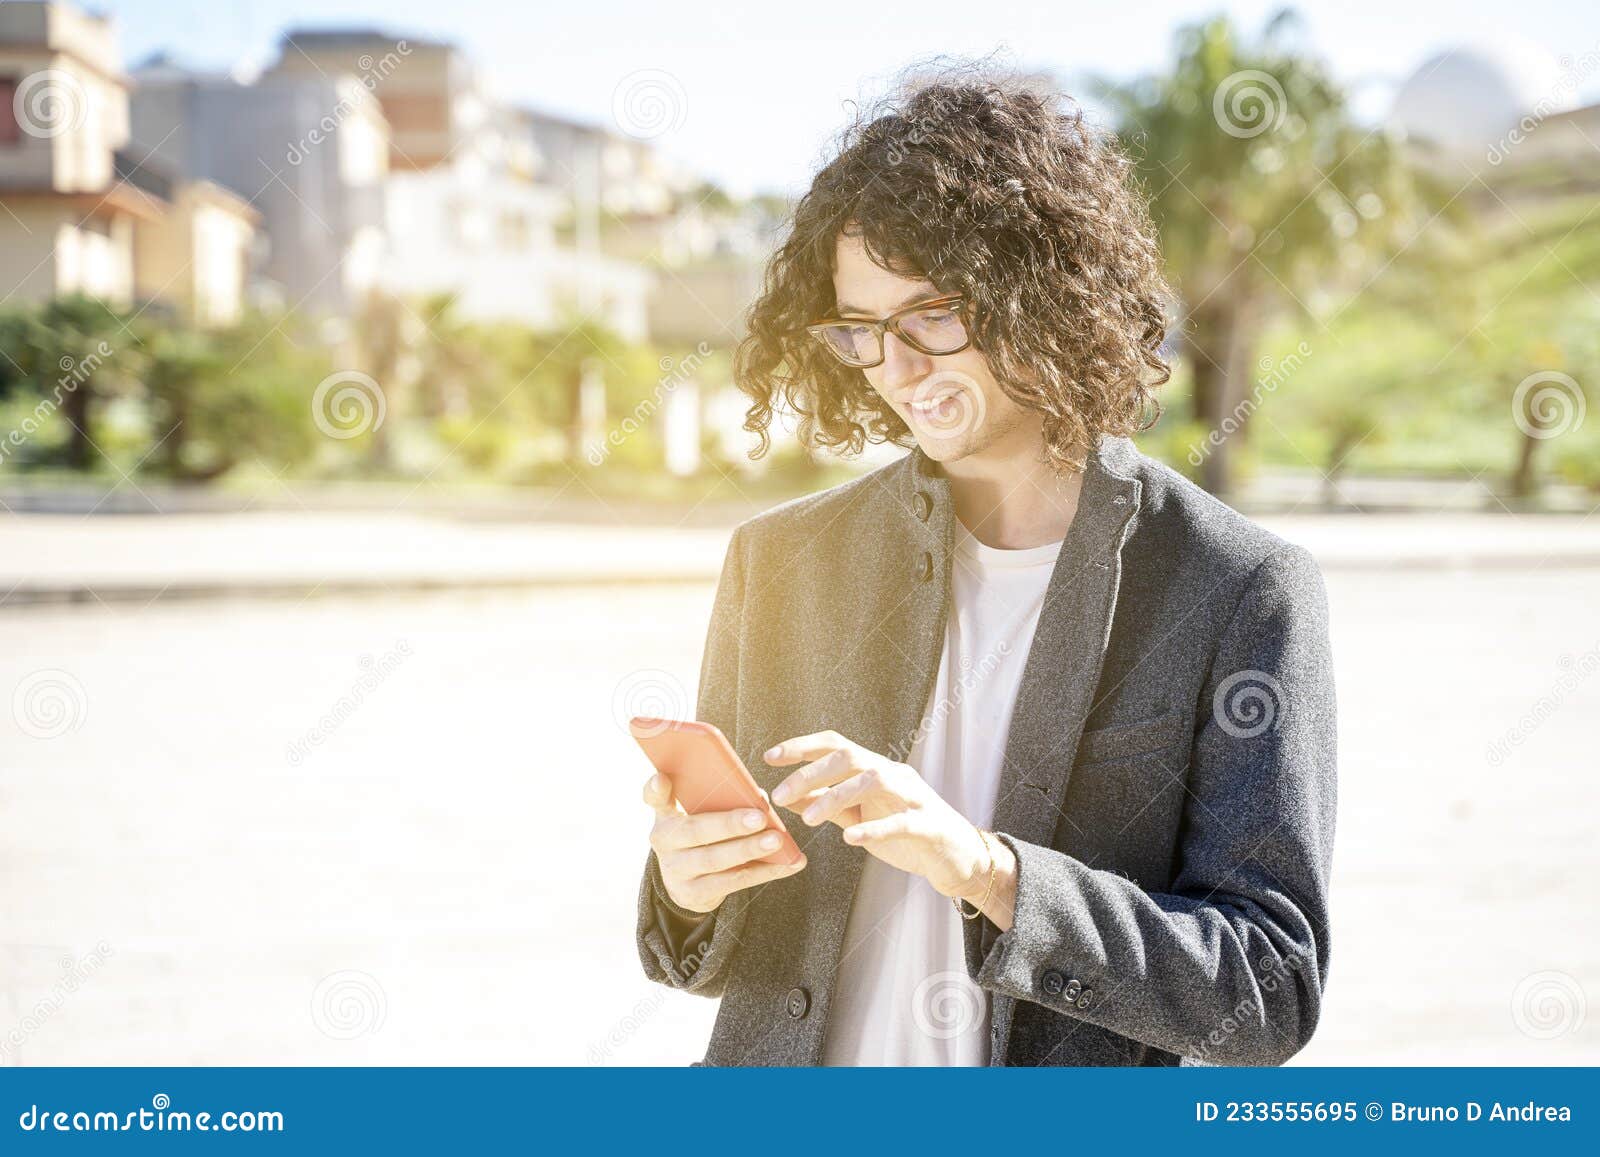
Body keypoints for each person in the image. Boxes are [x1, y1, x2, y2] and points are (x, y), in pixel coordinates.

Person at [635, 63, 1337, 1067]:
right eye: (861, 329)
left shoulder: (1235, 587)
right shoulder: (779, 562)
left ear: (1039, 290)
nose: (897, 368)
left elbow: (1267, 992)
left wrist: (987, 870)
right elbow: (712, 952)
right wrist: (688, 884)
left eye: (931, 314)